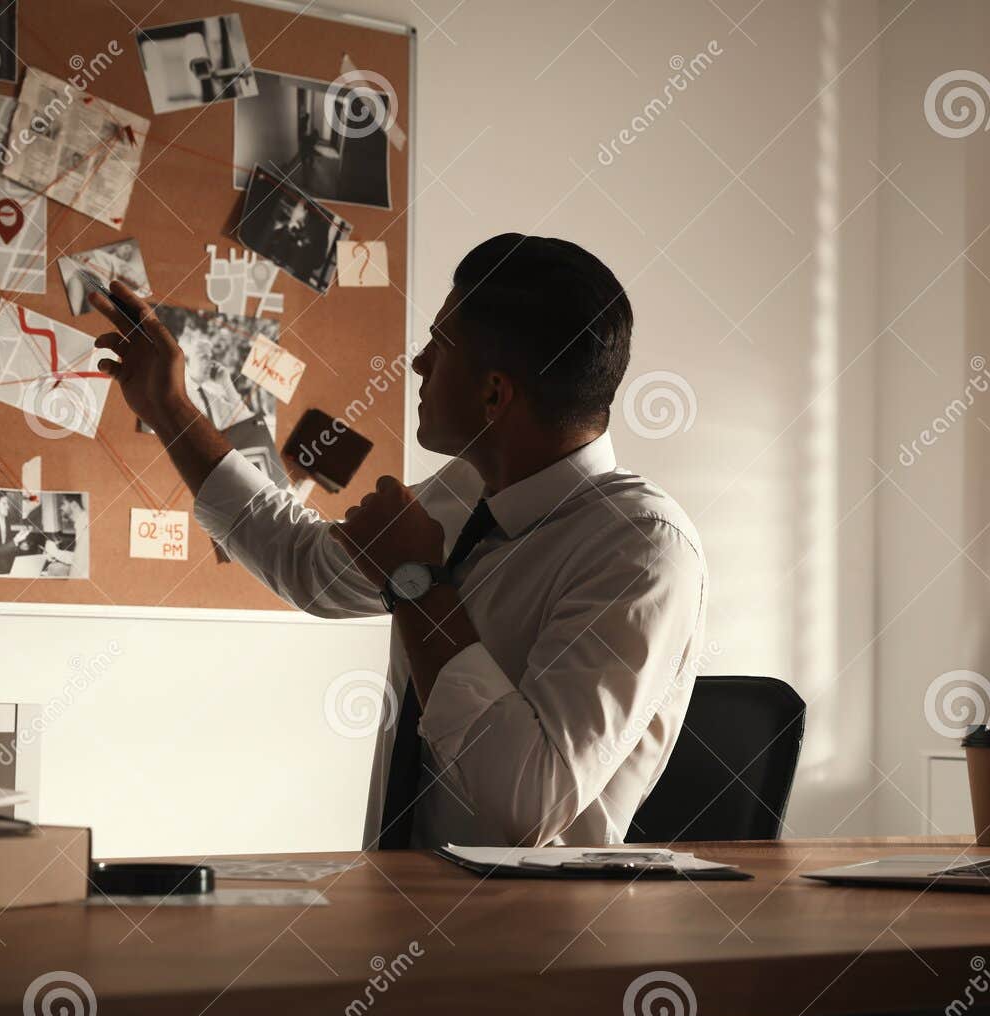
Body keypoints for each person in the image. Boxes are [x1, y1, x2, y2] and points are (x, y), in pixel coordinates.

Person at [90, 234, 707, 849]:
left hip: (533, 936)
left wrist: (418, 581)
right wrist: (168, 408)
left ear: (494, 393)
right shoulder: (467, 489)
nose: (418, 365)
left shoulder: (641, 550)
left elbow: (529, 805)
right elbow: (310, 568)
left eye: (440, 346)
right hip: (399, 910)